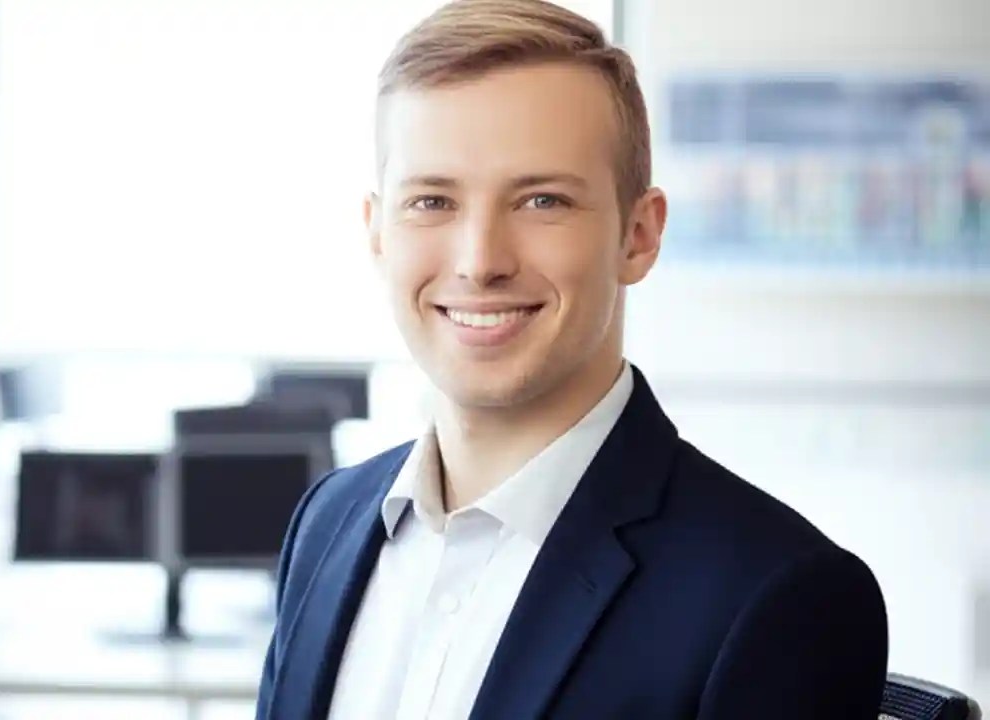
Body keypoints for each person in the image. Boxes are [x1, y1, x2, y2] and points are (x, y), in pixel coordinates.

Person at [254, 1, 889, 718]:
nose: (480, 261)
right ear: (377, 234)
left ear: (639, 236)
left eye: (541, 200)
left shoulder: (777, 594)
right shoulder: (328, 524)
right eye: (432, 201)